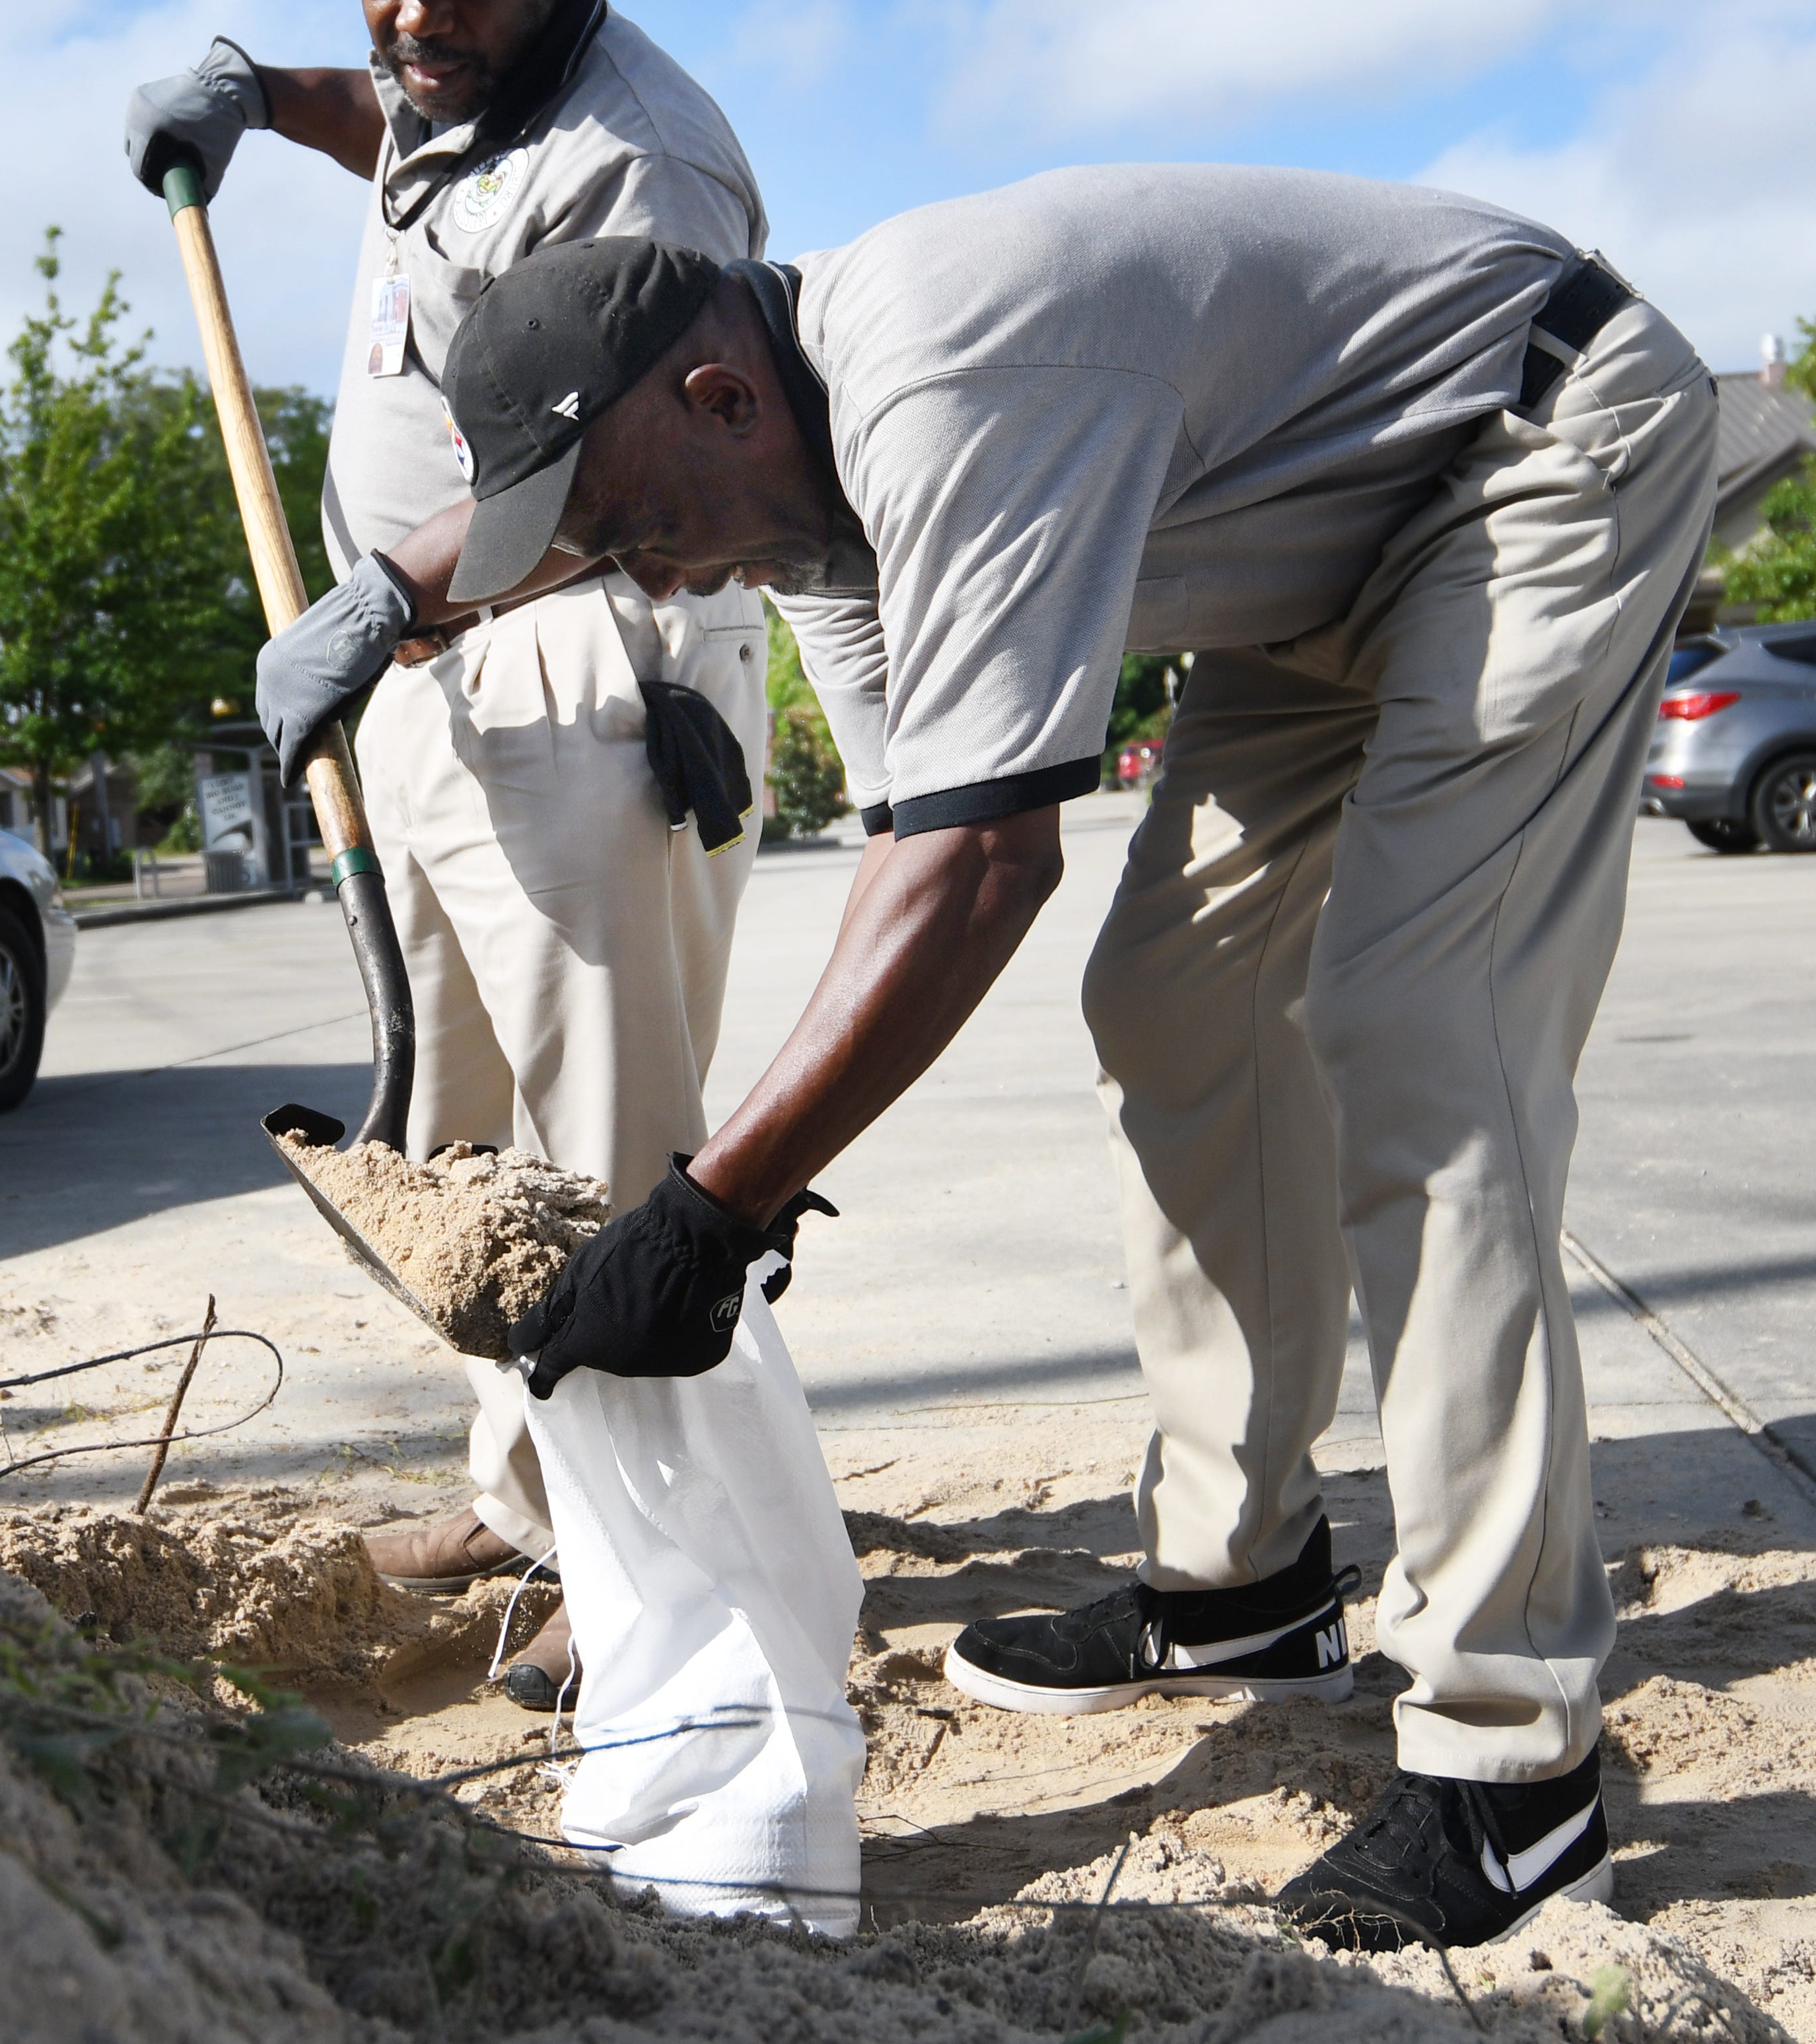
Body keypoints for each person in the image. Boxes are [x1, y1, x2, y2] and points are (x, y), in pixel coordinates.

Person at [379, 166, 1714, 1951]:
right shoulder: (804, 518)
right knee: (1170, 998)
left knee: (1422, 1036)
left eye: (629, 523)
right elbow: (904, 853)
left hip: (1526, 450)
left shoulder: (934, 380)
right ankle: (1239, 1583)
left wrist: (711, 1210)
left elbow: (986, 864)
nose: (654, 574)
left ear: (719, 398)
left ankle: (1507, 1758)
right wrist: (735, 1191)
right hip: (1318, 554)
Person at [124, 0, 829, 1706]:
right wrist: (264, 99)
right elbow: (398, 131)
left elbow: (659, 483)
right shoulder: (446, 86)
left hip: (588, 663)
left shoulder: (643, 167)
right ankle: (527, 1498)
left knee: (613, 1152)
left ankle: (661, 1573)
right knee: (463, 1141)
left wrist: (397, 600)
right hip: (421, 664)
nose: (410, 20)